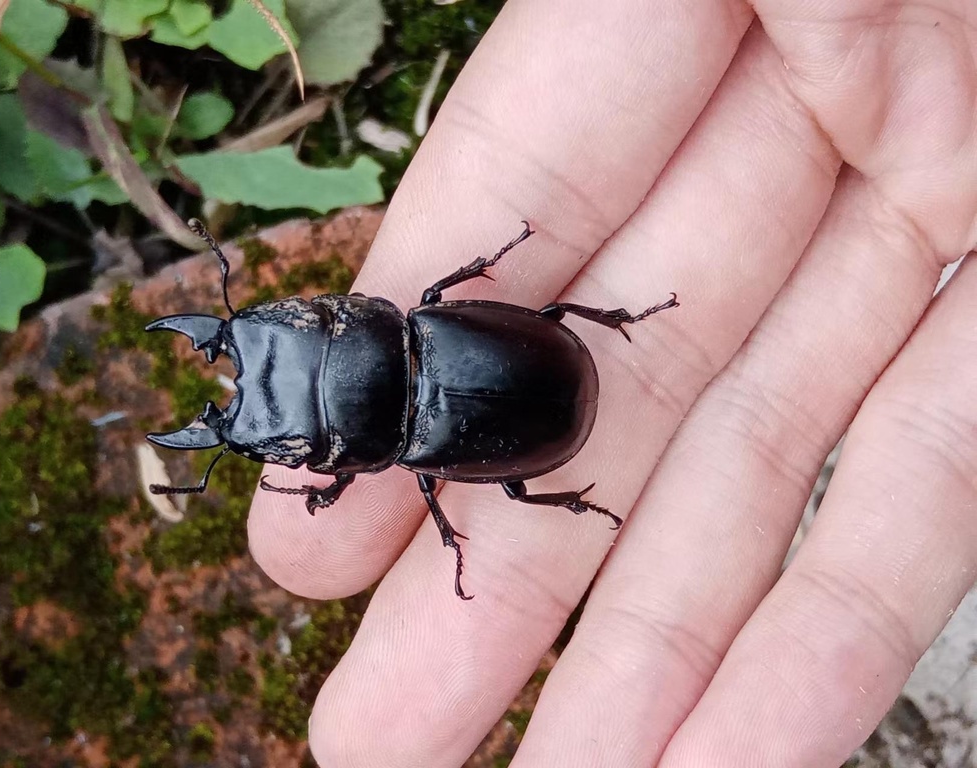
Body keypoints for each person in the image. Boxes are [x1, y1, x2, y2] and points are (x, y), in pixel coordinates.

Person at [247, 2, 977, 765]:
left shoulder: (420, 434)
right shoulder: (424, 317)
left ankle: (596, 444)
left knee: (517, 476)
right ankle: (621, 348)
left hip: (543, 397)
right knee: (542, 358)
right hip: (547, 375)